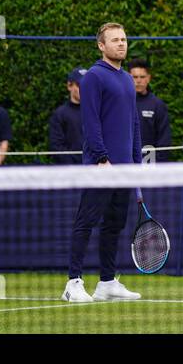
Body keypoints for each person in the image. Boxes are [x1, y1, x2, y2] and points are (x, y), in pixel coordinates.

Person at [61, 23, 143, 304]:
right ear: (101, 45)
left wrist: (135, 161)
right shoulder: (94, 77)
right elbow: (90, 121)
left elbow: (133, 123)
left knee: (114, 225)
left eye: (124, 39)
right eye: (115, 40)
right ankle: (73, 283)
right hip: (101, 167)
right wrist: (101, 158)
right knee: (86, 221)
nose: (121, 44)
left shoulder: (127, 80)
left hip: (123, 169)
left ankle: (106, 282)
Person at [127, 58, 173, 162]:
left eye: (142, 77)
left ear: (148, 78)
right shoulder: (121, 103)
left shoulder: (158, 105)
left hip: (150, 165)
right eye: (135, 77)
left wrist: (158, 164)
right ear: (129, 78)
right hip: (125, 162)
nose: (138, 80)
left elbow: (164, 139)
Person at [49, 68, 87, 165]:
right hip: (70, 172)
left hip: (95, 170)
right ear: (69, 86)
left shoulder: (97, 112)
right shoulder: (59, 114)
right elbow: (56, 146)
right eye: (79, 85)